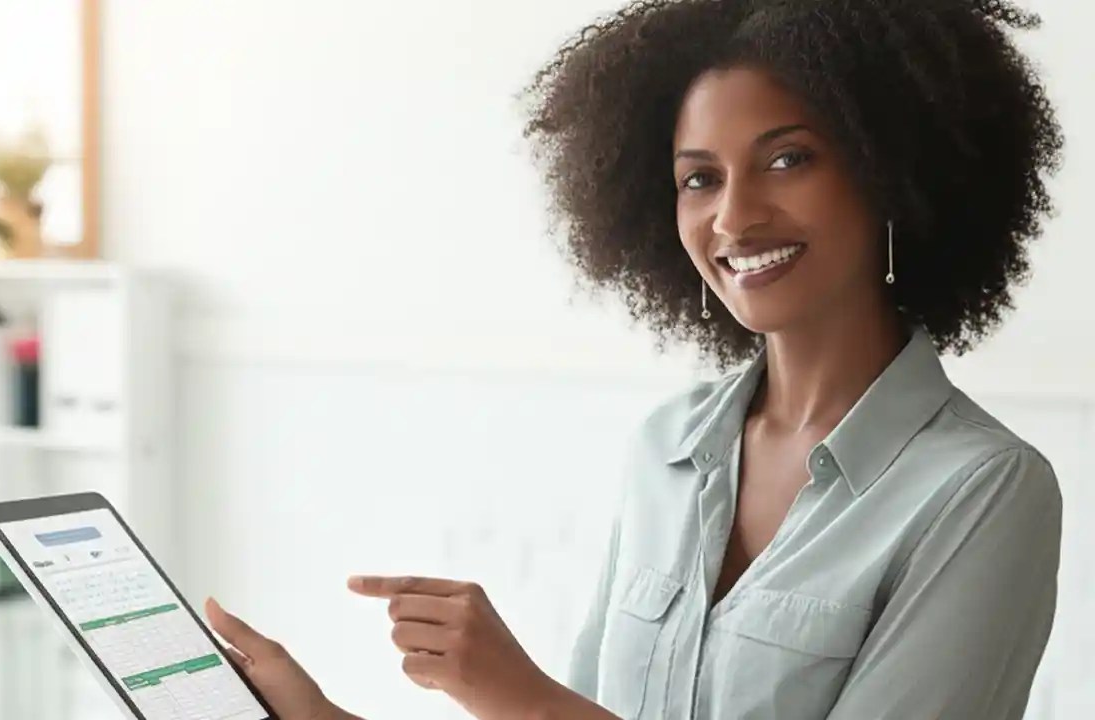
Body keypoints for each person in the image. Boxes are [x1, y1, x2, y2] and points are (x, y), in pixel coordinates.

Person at [205, 0, 1066, 718]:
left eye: (788, 159)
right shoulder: (670, 446)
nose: (734, 216)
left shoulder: (983, 491)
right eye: (700, 178)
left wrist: (523, 697)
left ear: (892, 172)